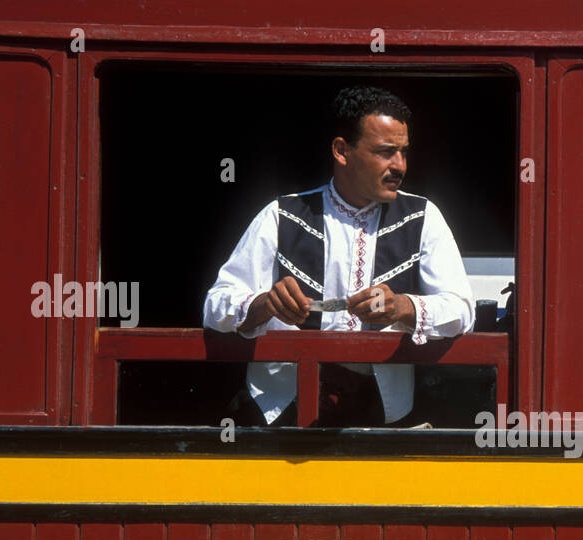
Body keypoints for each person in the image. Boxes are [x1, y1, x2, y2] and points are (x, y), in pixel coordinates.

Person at [203, 86, 474, 426]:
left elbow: (462, 310)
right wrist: (264, 305)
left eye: (404, 152)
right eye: (385, 152)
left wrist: (403, 306)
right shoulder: (282, 214)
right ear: (342, 151)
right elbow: (215, 307)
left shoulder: (422, 216)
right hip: (283, 407)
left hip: (383, 409)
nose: (400, 165)